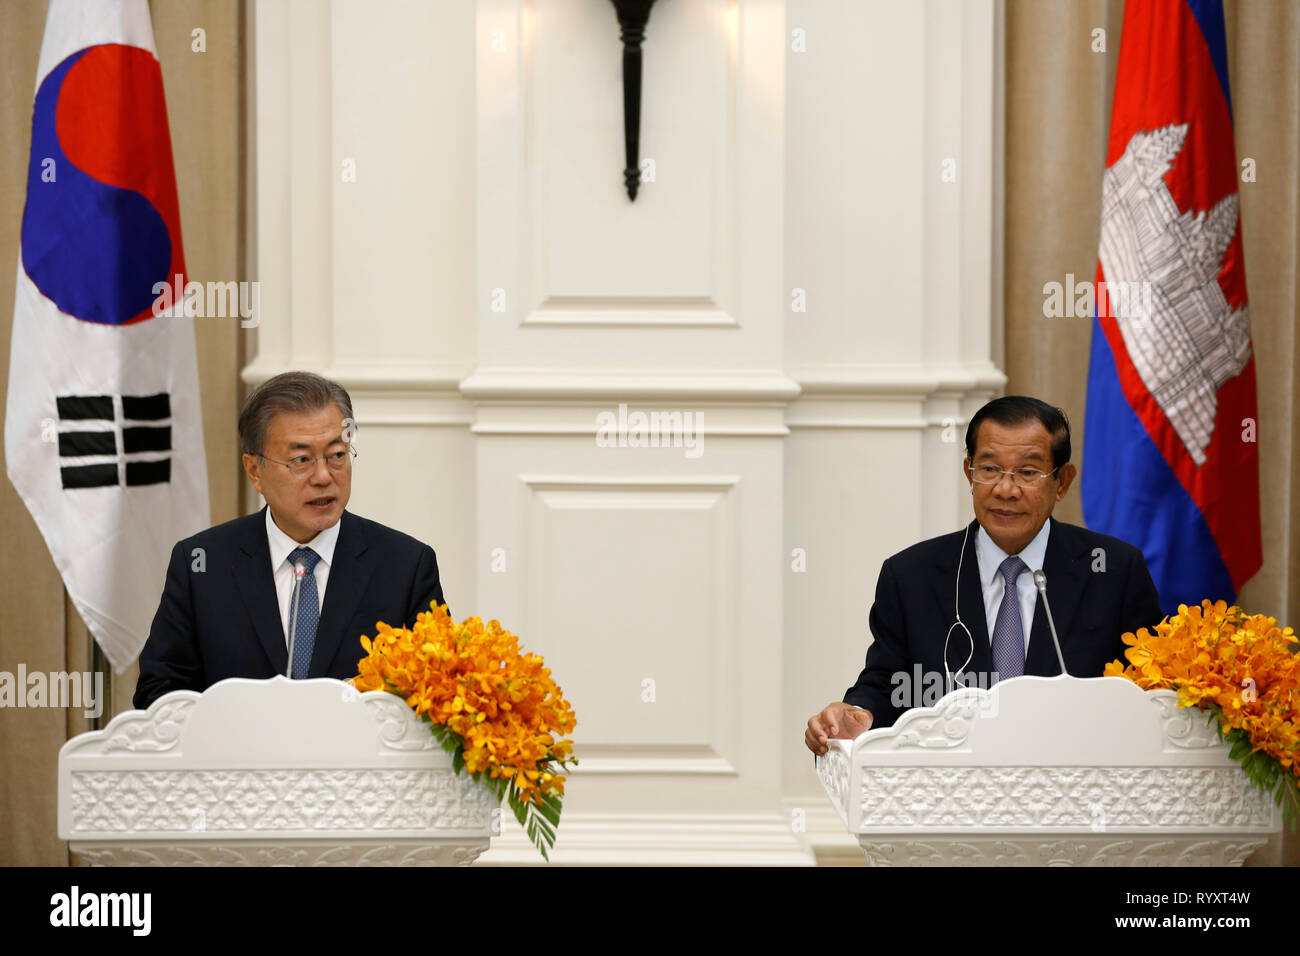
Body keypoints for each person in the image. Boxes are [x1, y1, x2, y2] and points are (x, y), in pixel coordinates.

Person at [804, 395, 1162, 755]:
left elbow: (1149, 692)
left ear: (1062, 482)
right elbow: (889, 684)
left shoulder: (1113, 571)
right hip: (952, 792)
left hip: (1081, 786)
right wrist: (859, 714)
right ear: (969, 473)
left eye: (1027, 472)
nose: (1005, 490)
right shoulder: (911, 575)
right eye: (989, 469)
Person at [133, 371, 447, 709]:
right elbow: (159, 697)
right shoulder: (201, 564)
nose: (324, 476)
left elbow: (438, 696)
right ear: (255, 470)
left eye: (337, 455)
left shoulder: (405, 567)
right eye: (301, 460)